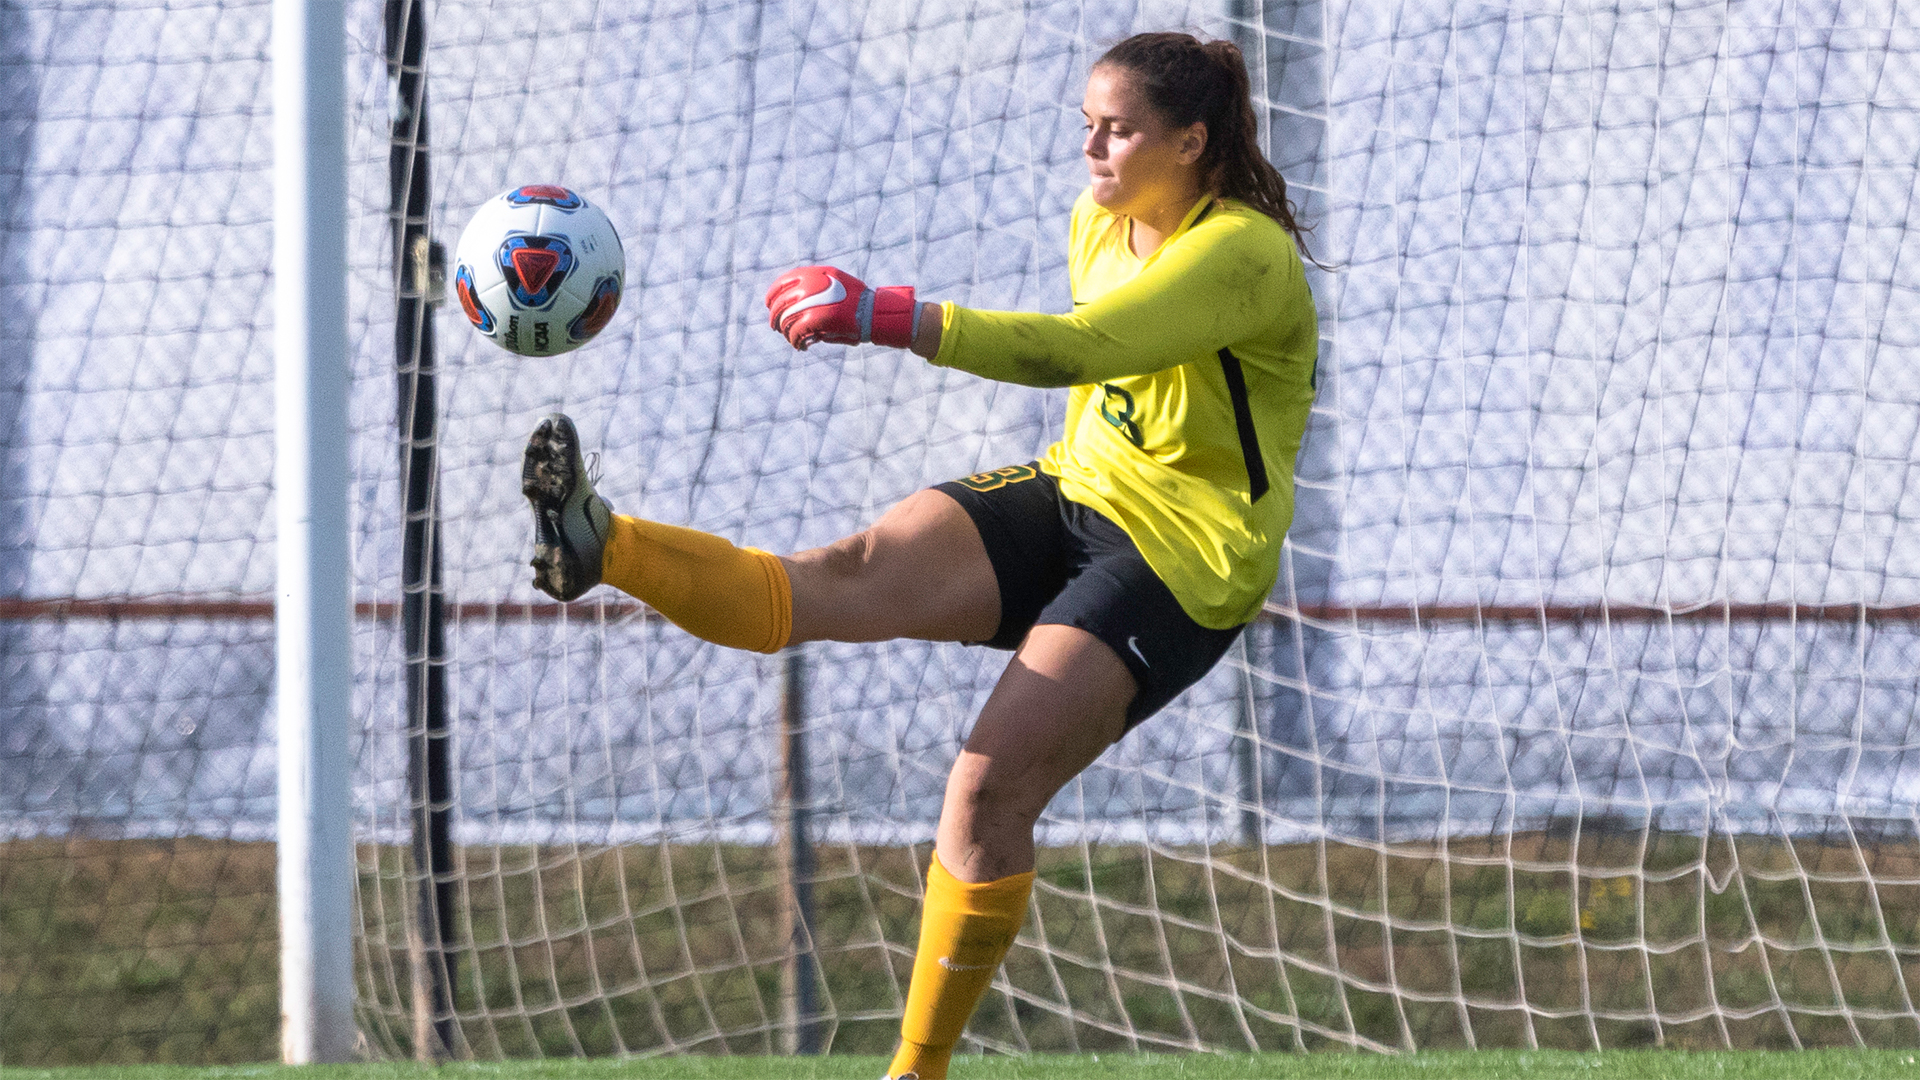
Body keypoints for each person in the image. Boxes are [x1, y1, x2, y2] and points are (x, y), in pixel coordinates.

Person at [520, 30, 1319, 1080]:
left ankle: (917, 1071)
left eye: (1119, 131)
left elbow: (1079, 349)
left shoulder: (1243, 252)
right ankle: (604, 544)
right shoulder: (1100, 219)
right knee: (840, 572)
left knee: (984, 797)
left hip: (1186, 561)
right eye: (1086, 126)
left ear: (1194, 142)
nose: (1094, 150)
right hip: (1078, 488)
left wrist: (890, 315)